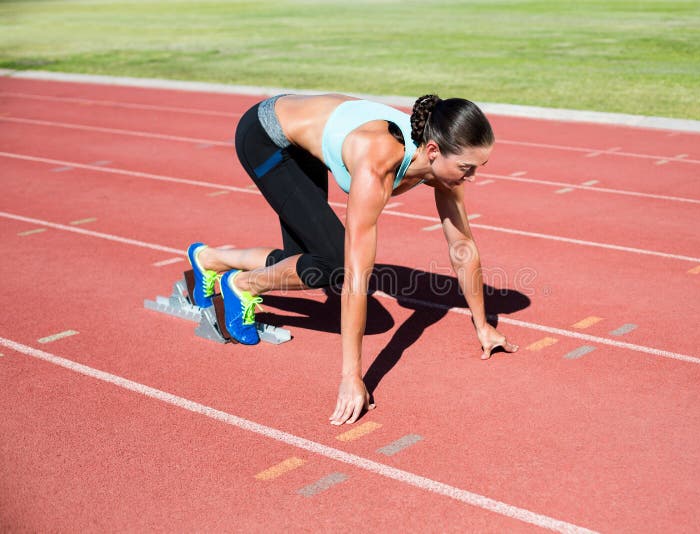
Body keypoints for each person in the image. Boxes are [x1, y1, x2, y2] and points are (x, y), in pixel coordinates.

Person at [186, 93, 519, 425]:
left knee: (304, 262)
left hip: (304, 138)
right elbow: (357, 276)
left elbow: (462, 246)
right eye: (467, 168)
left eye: (478, 167)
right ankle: (240, 285)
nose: (472, 177)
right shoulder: (377, 163)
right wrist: (351, 377)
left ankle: (210, 260)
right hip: (266, 136)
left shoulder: (443, 164)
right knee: (335, 264)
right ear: (433, 151)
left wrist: (483, 325)